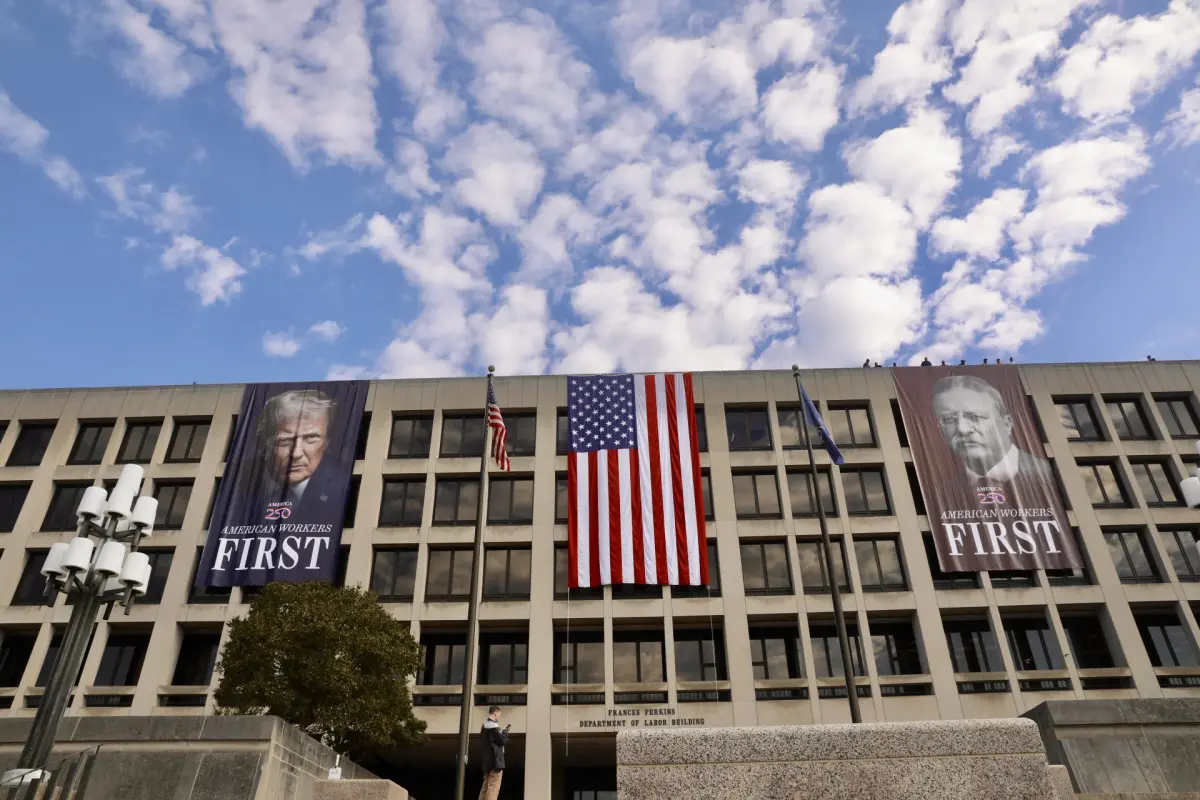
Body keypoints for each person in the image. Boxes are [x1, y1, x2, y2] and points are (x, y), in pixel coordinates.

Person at [931, 375, 1053, 485]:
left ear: (1007, 424)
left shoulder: (1049, 475)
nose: (963, 429)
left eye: (975, 417)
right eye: (948, 419)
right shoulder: (943, 490)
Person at [478, 706, 510, 800]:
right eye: (499, 714)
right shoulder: (494, 727)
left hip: (486, 762)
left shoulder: (484, 727)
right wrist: (505, 732)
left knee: (485, 787)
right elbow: (501, 741)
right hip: (496, 761)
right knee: (493, 787)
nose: (499, 716)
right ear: (495, 713)